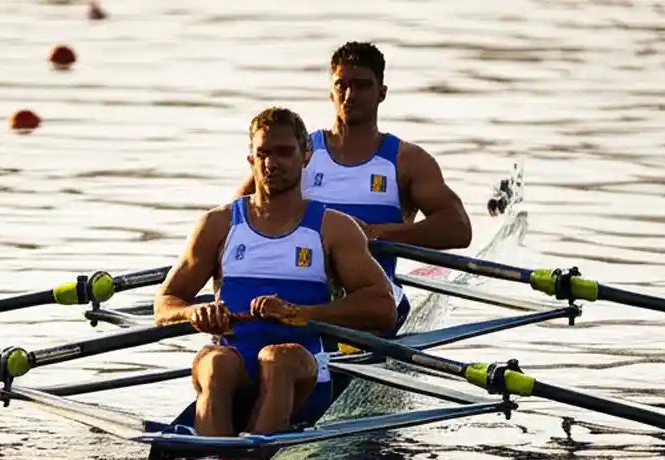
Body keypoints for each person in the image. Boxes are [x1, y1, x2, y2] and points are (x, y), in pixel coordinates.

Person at [155, 107, 397, 437]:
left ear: (306, 156)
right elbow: (165, 303)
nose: (272, 163)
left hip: (301, 370)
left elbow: (383, 307)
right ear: (251, 159)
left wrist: (303, 314)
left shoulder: (334, 228)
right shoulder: (217, 225)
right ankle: (214, 456)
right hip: (234, 365)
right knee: (216, 362)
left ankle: (256, 450)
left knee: (276, 358)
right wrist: (194, 312)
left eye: (284, 152)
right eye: (264, 153)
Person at [235, 41, 472, 328]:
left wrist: (375, 233)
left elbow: (458, 228)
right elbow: (239, 220)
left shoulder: (406, 161)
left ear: (382, 93)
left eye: (362, 86)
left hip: (367, 302)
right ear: (330, 92)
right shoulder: (294, 154)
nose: (350, 96)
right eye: (342, 85)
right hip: (298, 296)